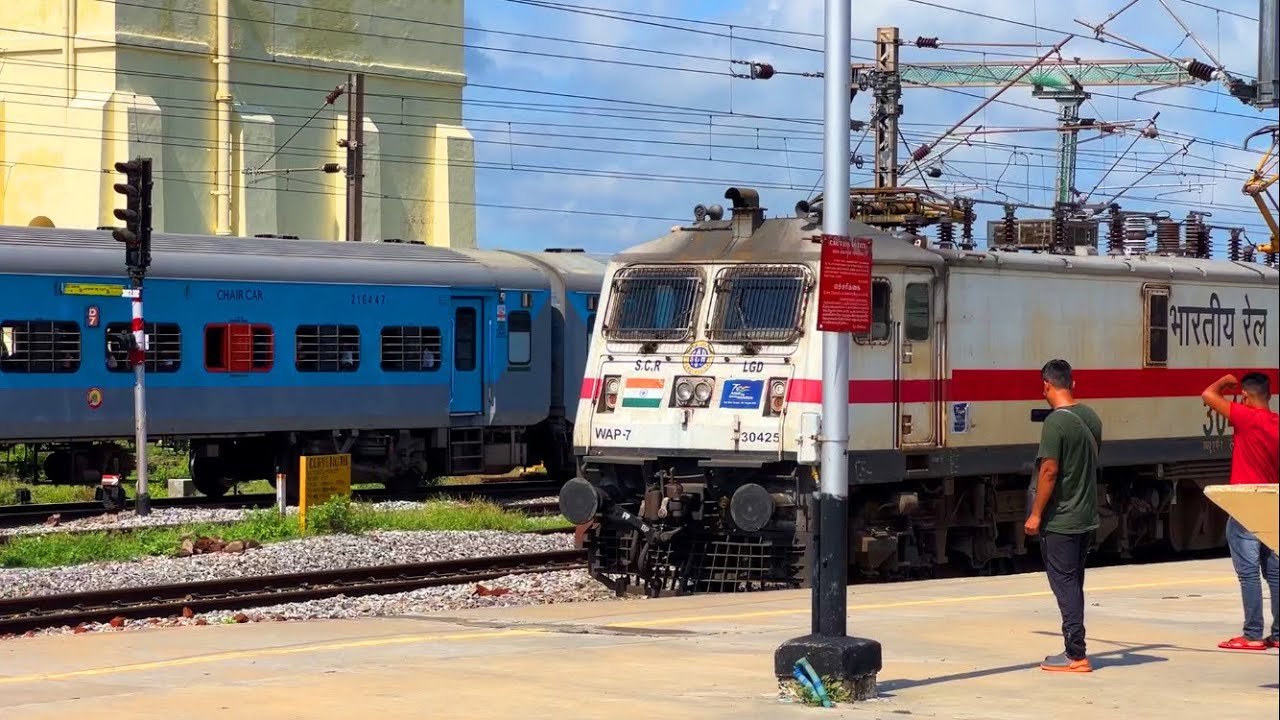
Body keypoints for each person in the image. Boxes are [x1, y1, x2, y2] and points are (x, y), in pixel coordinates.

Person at [1025, 359, 1102, 673]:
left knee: (1065, 584)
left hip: (1062, 518)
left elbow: (1050, 470)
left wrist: (1036, 514)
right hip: (1086, 516)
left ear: (1045, 385)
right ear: (1073, 384)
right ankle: (1075, 650)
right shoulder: (1091, 418)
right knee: (1075, 582)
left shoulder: (1055, 423)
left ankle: (1075, 654)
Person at [1200, 372, 1280, 651]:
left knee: (1248, 573)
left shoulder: (1245, 417)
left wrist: (1224, 381)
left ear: (1245, 397)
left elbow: (1208, 395)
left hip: (1246, 502)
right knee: (1276, 572)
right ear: (1269, 395)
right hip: (1271, 503)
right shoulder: (1277, 423)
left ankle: (1253, 633)